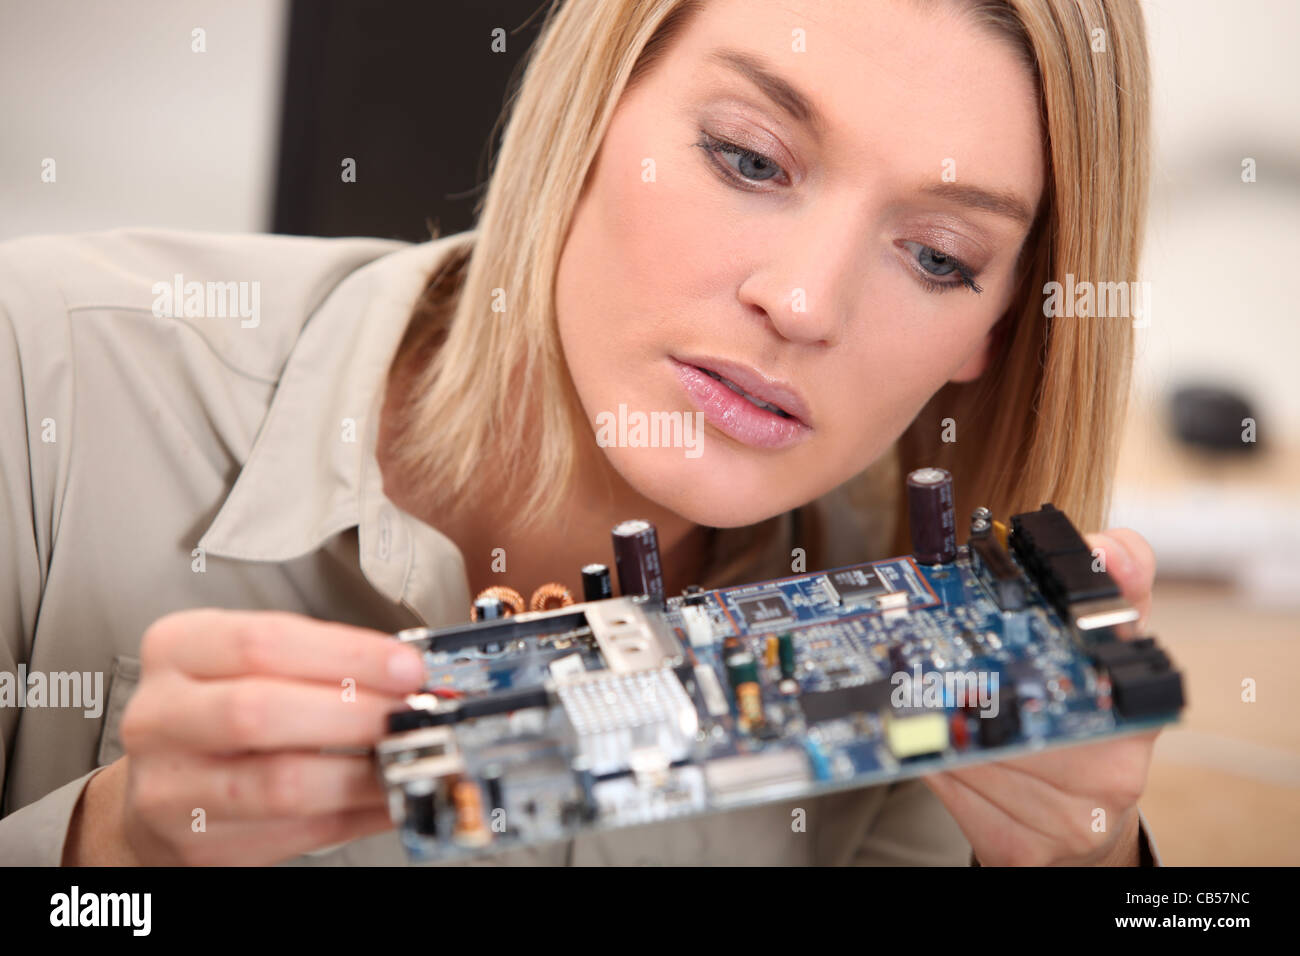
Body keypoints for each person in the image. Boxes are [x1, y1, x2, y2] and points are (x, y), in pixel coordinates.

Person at [0, 0, 1161, 866]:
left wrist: (1095, 870)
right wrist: (108, 857)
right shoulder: (41, 371)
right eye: (748, 158)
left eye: (937, 255)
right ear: (590, 104)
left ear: (996, 330)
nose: (804, 302)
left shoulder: (925, 634)